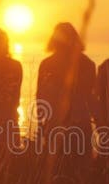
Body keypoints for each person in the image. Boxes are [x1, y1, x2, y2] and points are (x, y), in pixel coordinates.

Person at [36, 22, 96, 155]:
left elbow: (40, 100)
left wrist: (41, 128)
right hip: (79, 126)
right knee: (78, 170)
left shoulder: (47, 64)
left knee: (57, 170)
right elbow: (92, 99)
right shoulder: (88, 64)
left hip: (57, 126)